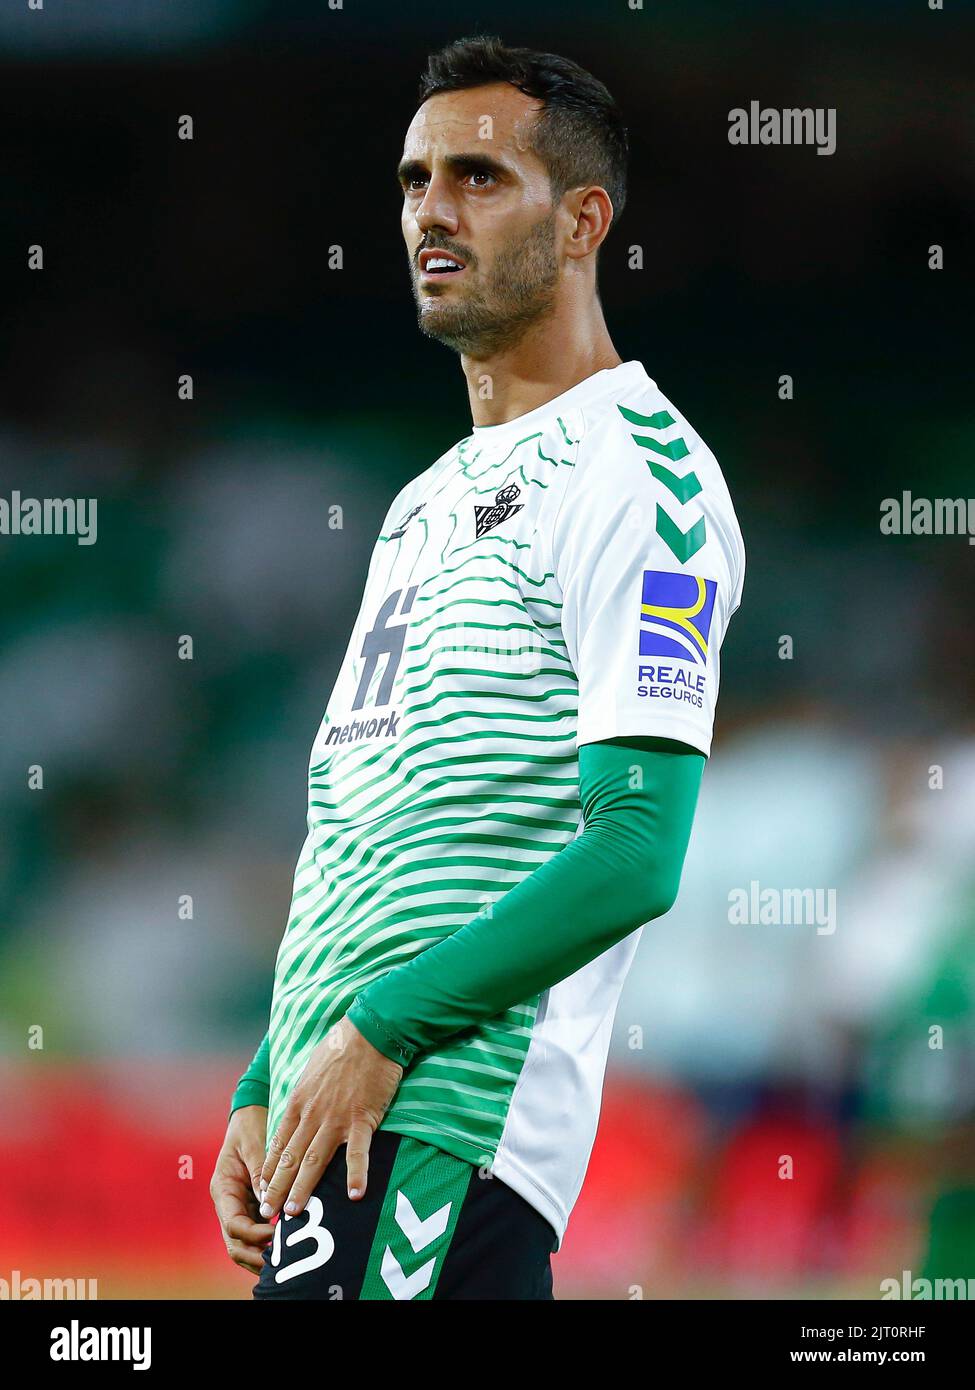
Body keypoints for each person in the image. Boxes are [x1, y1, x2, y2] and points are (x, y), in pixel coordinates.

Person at [210, 33, 745, 1301]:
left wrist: (381, 1026)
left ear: (583, 221)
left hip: (450, 1118)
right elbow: (360, 819)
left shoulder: (645, 477)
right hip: (338, 1112)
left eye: (479, 177)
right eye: (415, 180)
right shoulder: (422, 503)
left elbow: (636, 850)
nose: (431, 211)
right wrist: (266, 1072)